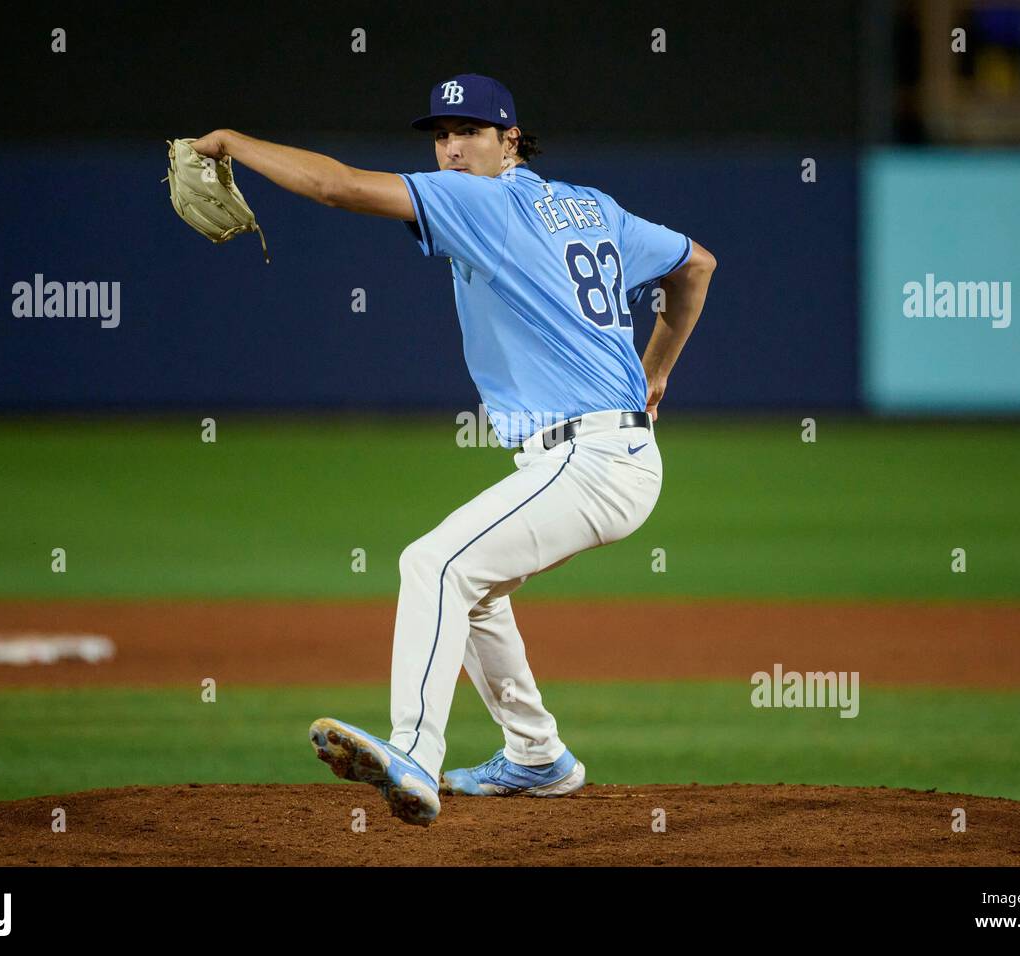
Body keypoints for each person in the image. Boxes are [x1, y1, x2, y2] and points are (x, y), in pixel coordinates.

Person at [189, 73, 715, 826]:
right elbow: (697, 264)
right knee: (478, 592)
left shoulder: (484, 199)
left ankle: (413, 752)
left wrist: (234, 141)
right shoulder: (592, 207)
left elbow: (338, 188)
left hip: (592, 460)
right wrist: (656, 372)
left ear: (510, 140)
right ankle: (536, 755)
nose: (451, 147)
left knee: (433, 563)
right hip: (597, 455)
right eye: (441, 134)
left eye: (469, 131)